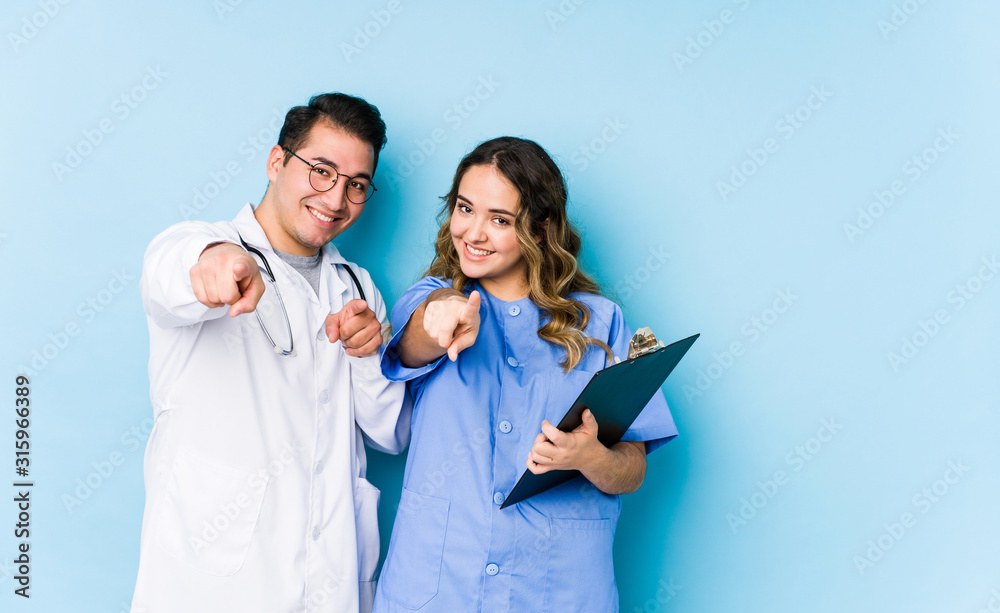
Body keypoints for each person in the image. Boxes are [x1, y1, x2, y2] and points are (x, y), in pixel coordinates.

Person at [373, 137, 678, 612]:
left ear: (539, 229)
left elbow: (631, 471)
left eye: (500, 220)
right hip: (441, 586)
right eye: (464, 208)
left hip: (558, 588)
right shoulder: (428, 299)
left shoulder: (601, 324)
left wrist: (589, 457)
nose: (473, 233)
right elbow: (416, 341)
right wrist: (443, 313)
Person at [133, 93, 410, 613]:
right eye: (321, 171)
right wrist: (213, 268)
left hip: (328, 579)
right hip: (214, 582)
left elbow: (391, 433)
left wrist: (367, 354)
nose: (335, 198)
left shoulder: (357, 287)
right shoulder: (203, 243)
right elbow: (170, 276)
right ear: (277, 161)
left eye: (356, 185)